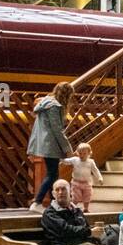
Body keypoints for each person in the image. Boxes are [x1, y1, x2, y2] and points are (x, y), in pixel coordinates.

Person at [27, 82, 74, 212]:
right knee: (52, 174)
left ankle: (55, 203)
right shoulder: (54, 106)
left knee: (53, 173)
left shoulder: (45, 103)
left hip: (43, 142)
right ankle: (37, 202)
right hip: (50, 144)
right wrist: (67, 149)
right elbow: (57, 129)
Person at [62, 142, 103, 213]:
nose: (82, 155)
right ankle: (71, 207)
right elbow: (66, 161)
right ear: (77, 153)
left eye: (84, 153)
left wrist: (99, 178)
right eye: (80, 153)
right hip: (76, 182)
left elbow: (95, 170)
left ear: (89, 153)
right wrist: (62, 159)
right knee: (76, 197)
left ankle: (86, 208)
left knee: (87, 196)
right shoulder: (75, 160)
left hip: (87, 183)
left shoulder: (90, 162)